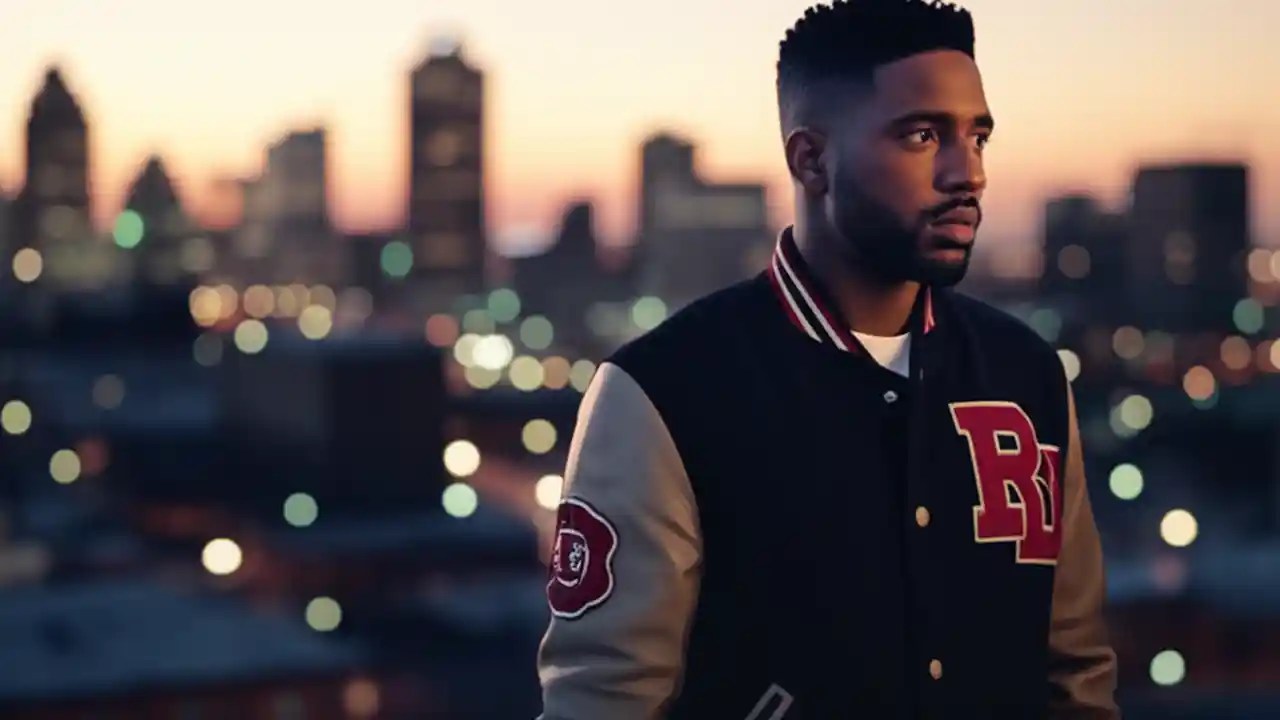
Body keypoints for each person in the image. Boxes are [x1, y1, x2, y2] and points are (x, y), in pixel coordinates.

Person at [536, 0, 1120, 717]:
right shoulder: (663, 390)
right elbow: (604, 703)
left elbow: (1080, 674)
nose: (967, 174)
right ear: (810, 159)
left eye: (978, 137)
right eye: (921, 135)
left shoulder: (1027, 375)